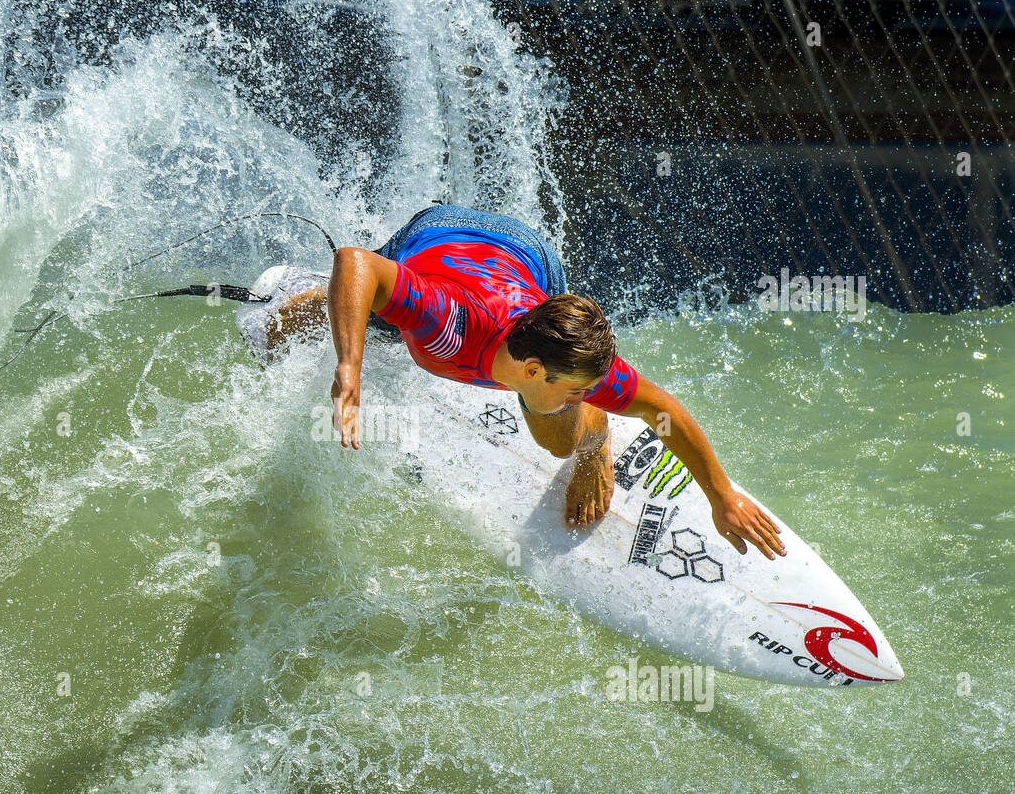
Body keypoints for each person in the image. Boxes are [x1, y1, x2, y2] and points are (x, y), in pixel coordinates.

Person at [268, 204, 785, 559]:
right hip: (440, 233)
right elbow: (355, 262)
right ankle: (306, 300)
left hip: (526, 255)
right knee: (372, 321)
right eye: (580, 391)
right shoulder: (448, 323)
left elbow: (658, 409)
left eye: (590, 392)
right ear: (533, 371)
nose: (589, 395)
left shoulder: (567, 364)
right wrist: (348, 367)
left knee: (560, 438)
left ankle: (594, 438)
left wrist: (721, 496)